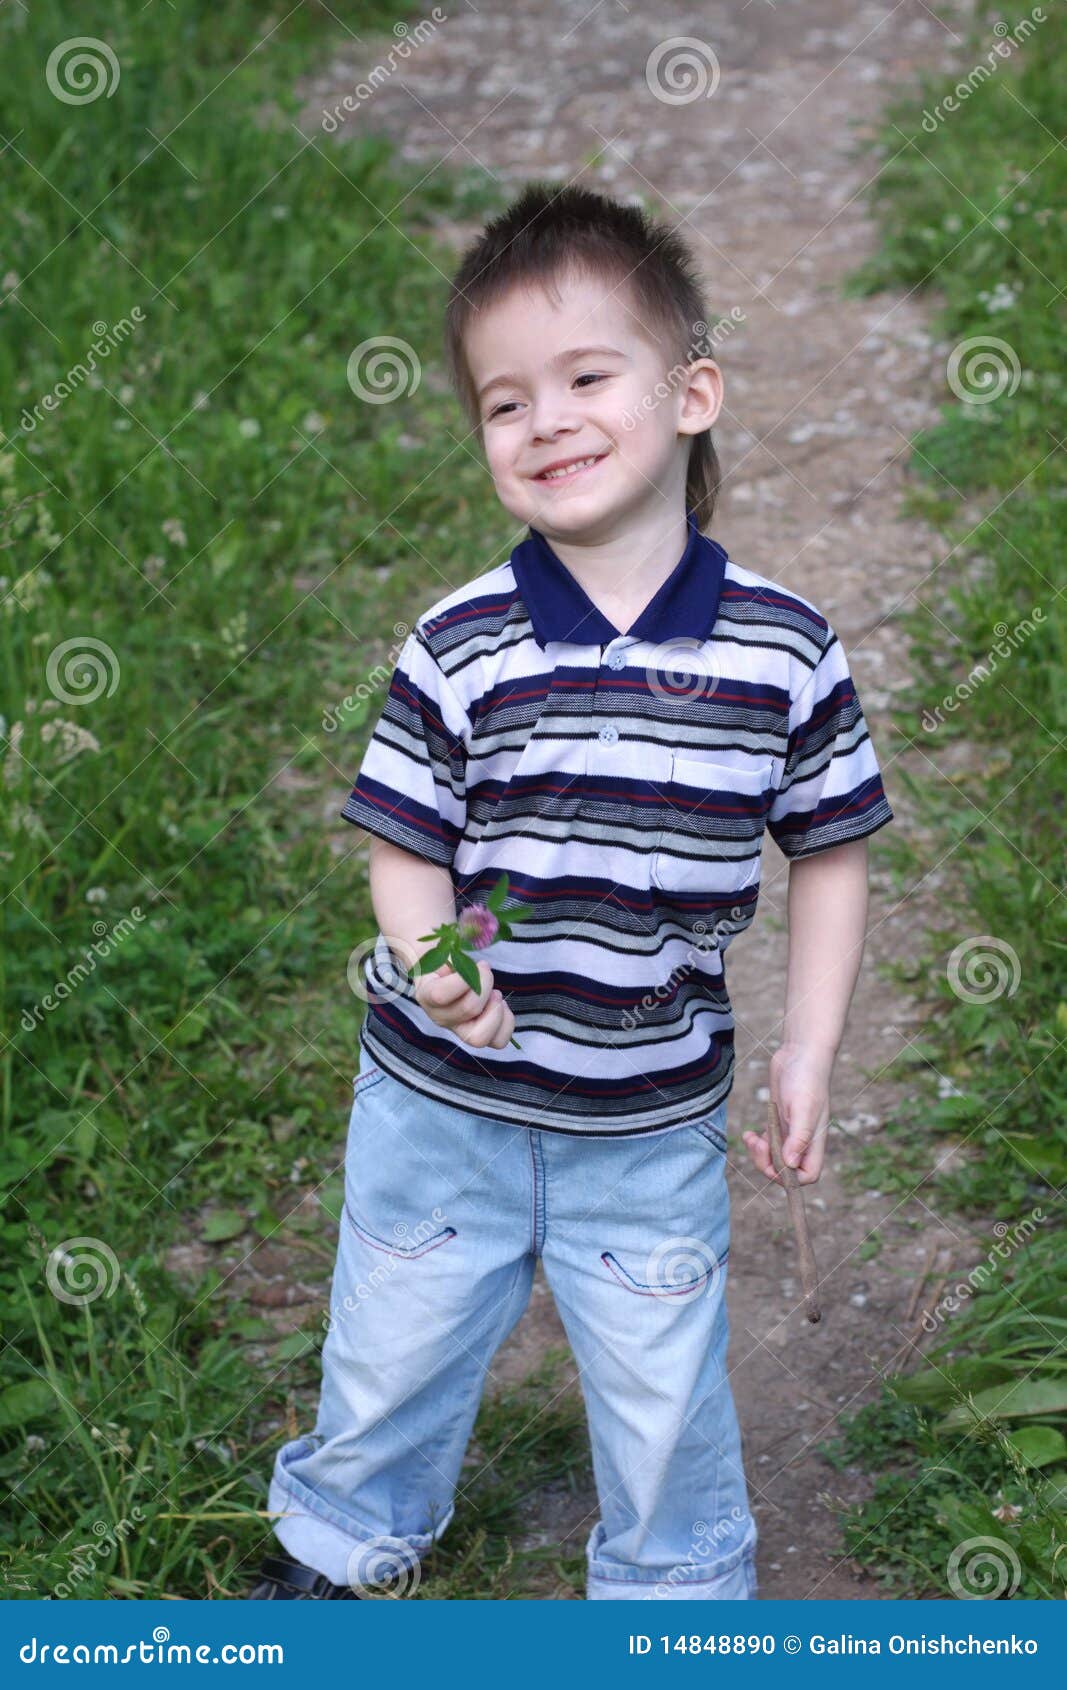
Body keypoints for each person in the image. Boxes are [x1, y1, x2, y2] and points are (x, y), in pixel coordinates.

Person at [249, 182, 894, 1601]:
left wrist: (807, 1042)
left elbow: (832, 847)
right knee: (394, 1334)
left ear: (693, 392)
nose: (545, 421)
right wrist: (431, 959)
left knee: (661, 1382)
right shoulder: (460, 644)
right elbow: (402, 840)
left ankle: (672, 1597)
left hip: (646, 1117)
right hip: (444, 1103)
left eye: (586, 377)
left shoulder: (784, 651)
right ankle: (342, 1540)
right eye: (502, 403)